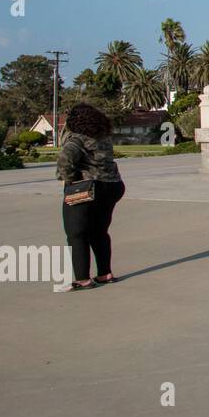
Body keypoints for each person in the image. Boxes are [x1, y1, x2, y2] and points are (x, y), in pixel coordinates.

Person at [55, 102, 125, 290]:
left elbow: (64, 162)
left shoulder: (76, 139)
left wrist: (69, 181)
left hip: (87, 188)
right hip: (112, 186)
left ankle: (83, 279)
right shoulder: (104, 137)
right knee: (99, 232)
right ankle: (105, 273)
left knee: (76, 233)